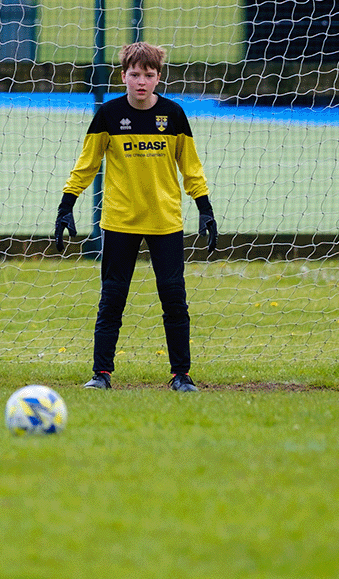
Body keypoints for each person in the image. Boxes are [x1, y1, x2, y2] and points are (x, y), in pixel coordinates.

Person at [54, 41, 218, 392]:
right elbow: (86, 165)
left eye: (148, 74)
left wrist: (204, 208)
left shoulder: (173, 116)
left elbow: (191, 168)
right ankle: (101, 374)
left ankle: (181, 375)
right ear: (123, 75)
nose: (141, 81)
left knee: (174, 298)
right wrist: (66, 204)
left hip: (165, 222)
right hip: (119, 222)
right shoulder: (109, 115)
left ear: (158, 77)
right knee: (112, 299)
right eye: (134, 74)